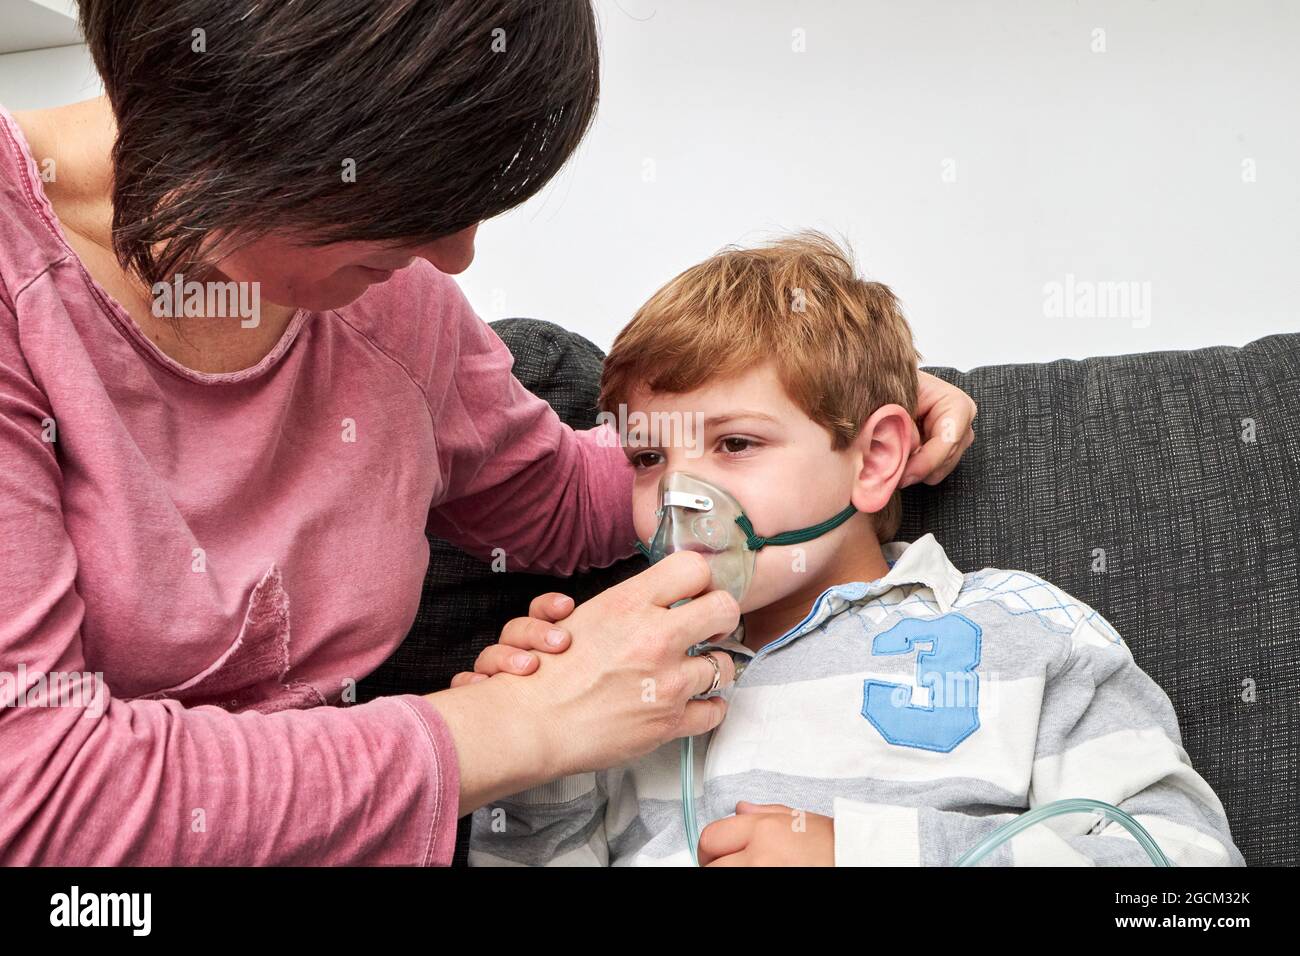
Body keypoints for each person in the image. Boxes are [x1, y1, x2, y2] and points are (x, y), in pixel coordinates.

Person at [0, 2, 977, 864]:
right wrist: (518, 724)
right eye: (408, 193)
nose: (456, 257)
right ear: (247, 123)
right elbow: (32, 795)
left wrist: (811, 416)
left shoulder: (400, 310)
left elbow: (565, 494)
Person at [467, 232, 1243, 866]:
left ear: (872, 460)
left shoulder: (1023, 634)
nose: (679, 498)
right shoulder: (627, 675)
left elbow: (1186, 876)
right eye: (647, 459)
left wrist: (863, 855)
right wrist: (541, 751)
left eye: (736, 443)